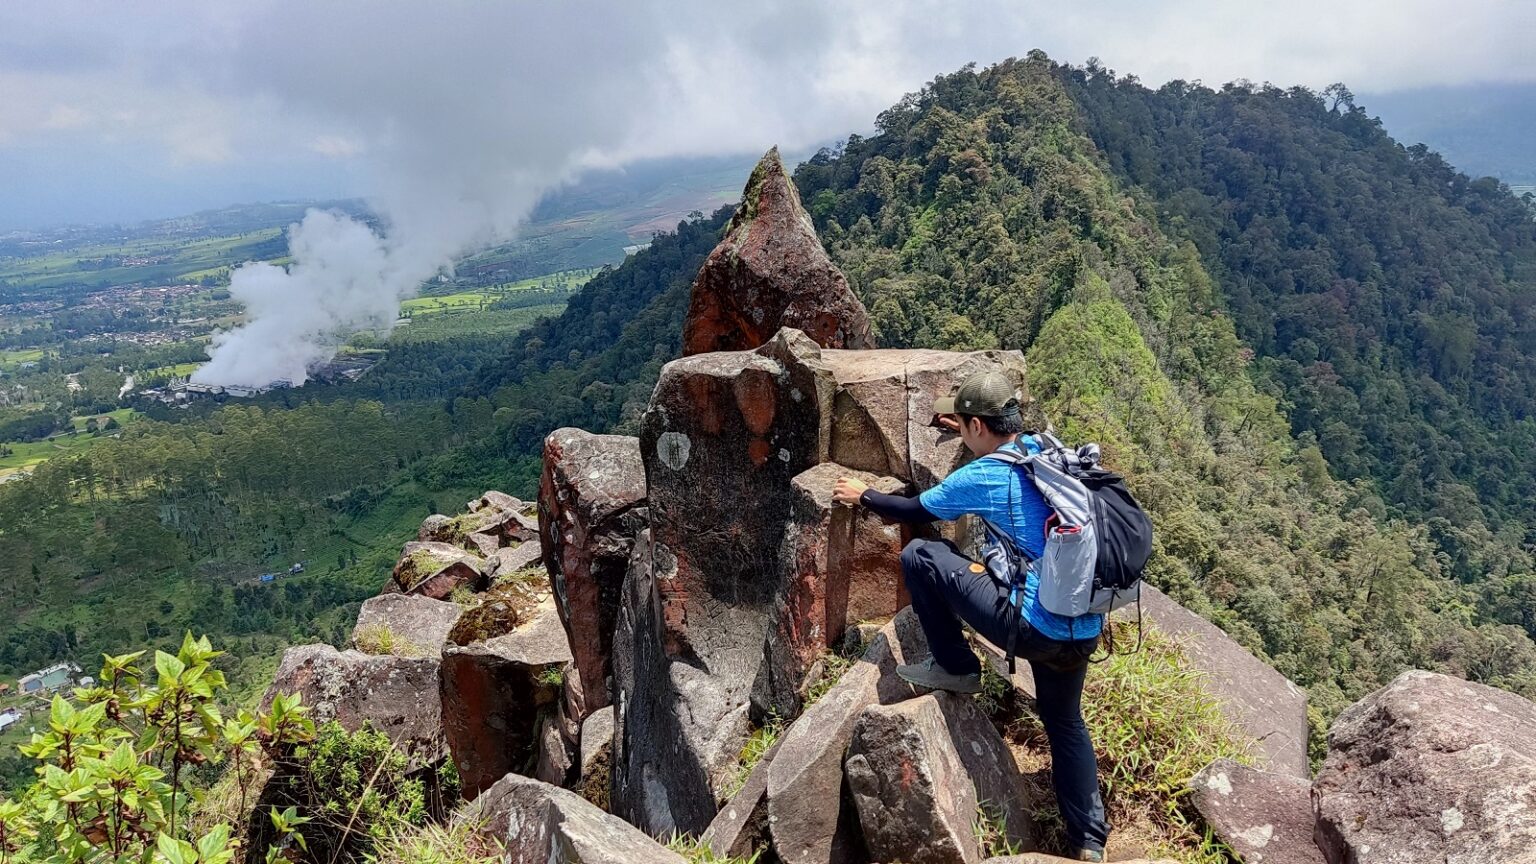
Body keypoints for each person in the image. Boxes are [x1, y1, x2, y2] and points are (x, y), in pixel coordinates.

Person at [831, 369, 1112, 862]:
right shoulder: (1045, 451)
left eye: (963, 425)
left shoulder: (984, 475)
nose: (959, 430)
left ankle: (957, 669)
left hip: (1030, 627)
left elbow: (914, 509)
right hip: (1082, 624)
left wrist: (864, 495)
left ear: (979, 427)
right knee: (1065, 722)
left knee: (921, 557)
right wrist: (963, 422)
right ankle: (1088, 841)